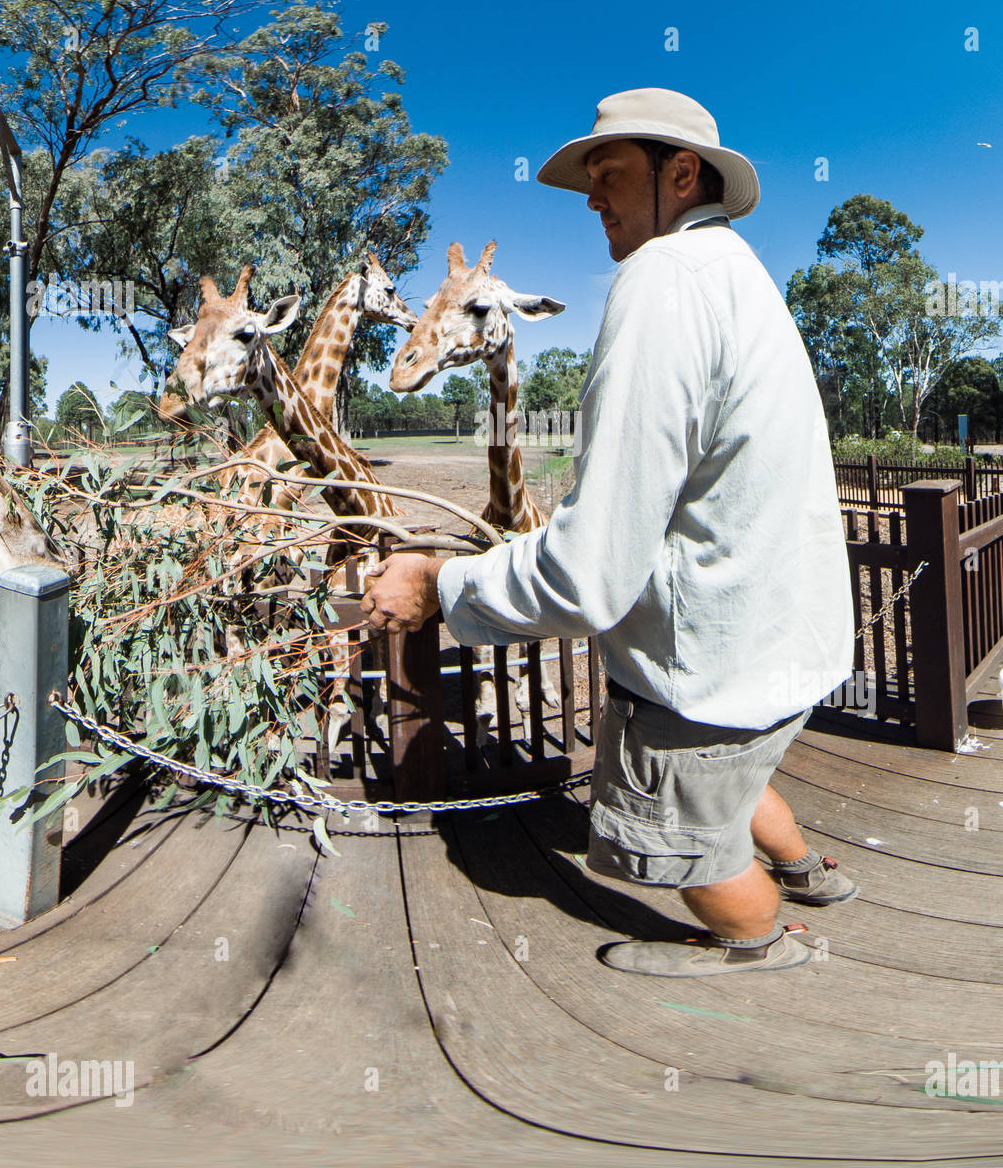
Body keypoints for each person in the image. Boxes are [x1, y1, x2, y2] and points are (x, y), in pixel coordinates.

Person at [363, 88, 853, 979]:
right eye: (590, 180)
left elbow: (593, 571)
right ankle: (809, 866)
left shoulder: (661, 280)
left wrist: (440, 583)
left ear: (681, 174)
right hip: (793, 647)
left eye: (612, 174)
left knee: (694, 840)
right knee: (740, 773)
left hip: (708, 673)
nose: (592, 199)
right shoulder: (740, 274)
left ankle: (761, 941)